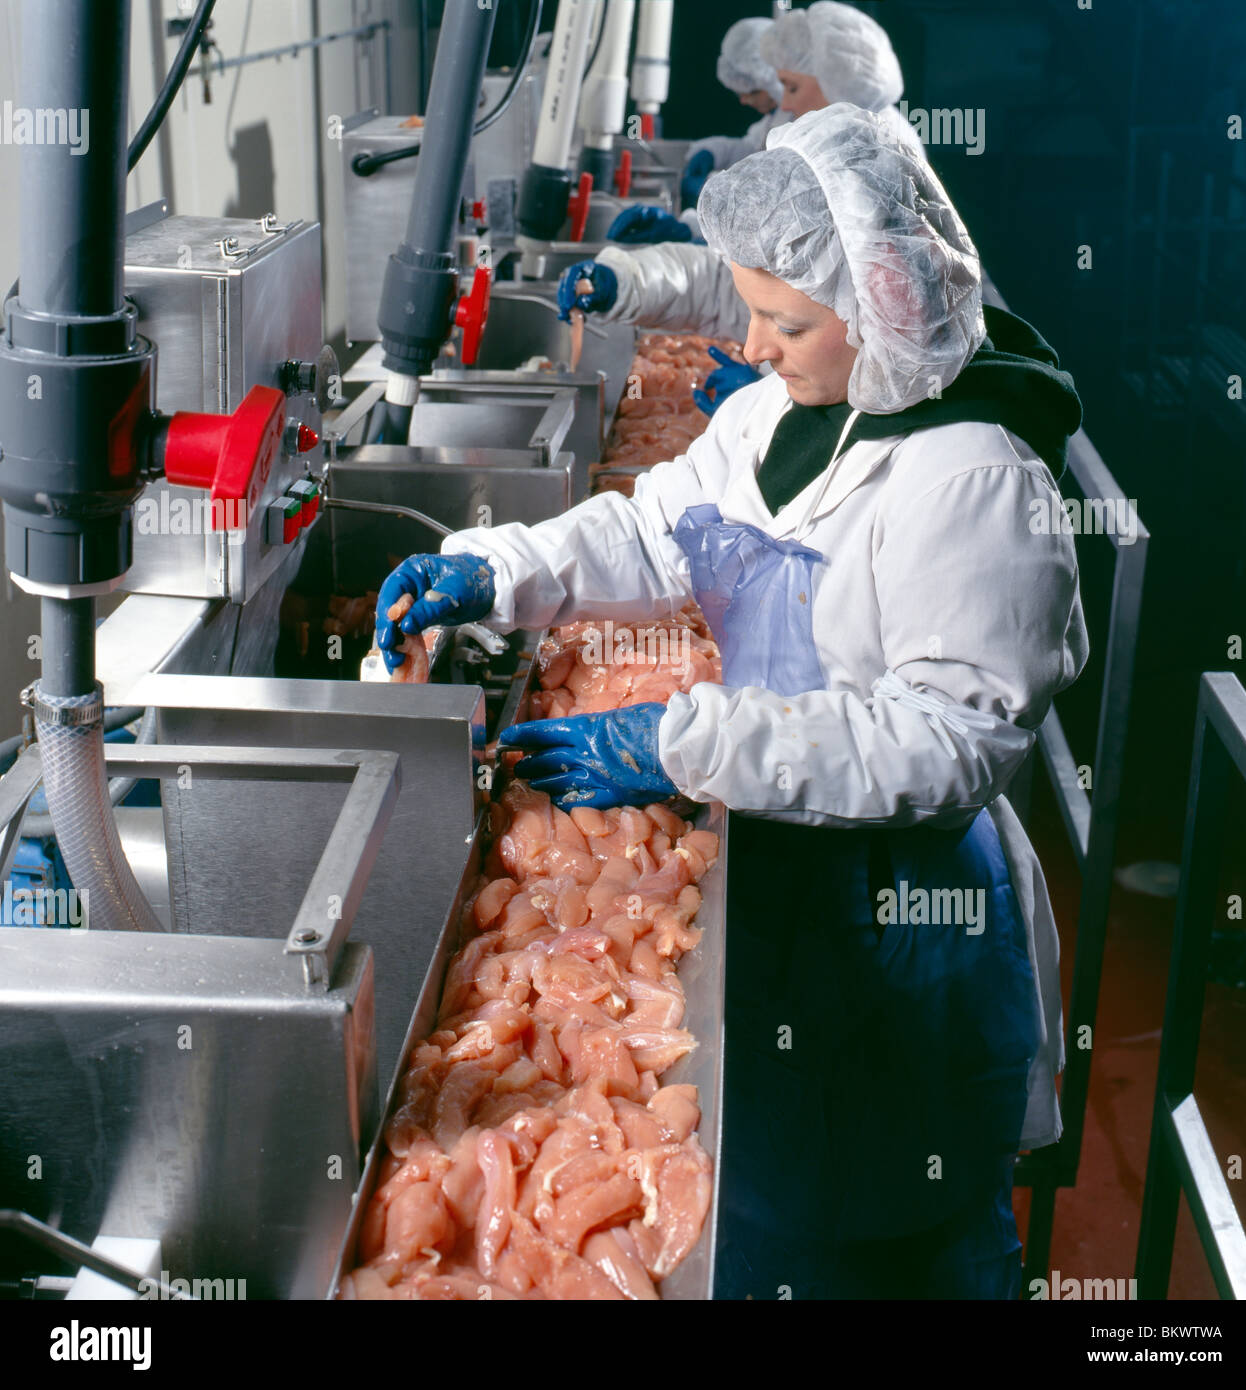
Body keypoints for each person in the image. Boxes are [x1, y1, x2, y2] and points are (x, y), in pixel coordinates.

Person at [378, 104, 1087, 1298]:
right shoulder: (788, 412)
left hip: (907, 906)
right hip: (788, 866)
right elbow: (662, 525)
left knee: (923, 1229)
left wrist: (680, 735)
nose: (752, 344)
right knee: (790, 1201)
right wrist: (498, 569)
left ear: (888, 305)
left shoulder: (974, 477)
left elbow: (943, 739)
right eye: (751, 308)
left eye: (784, 319)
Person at [563, 4, 926, 414]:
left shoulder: (863, 166)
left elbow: (835, 331)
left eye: (790, 87)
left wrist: (768, 397)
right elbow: (757, 288)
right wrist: (630, 280)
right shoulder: (830, 148)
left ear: (840, 85)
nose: (783, 105)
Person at [678, 17, 790, 208]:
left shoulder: (798, 120)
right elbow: (754, 151)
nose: (743, 100)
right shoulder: (777, 116)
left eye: (751, 91)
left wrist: (708, 193)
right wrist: (714, 152)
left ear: (772, 82)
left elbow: (767, 194)